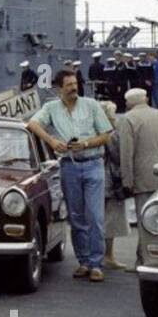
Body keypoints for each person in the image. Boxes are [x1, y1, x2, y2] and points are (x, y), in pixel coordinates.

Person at [27, 67, 113, 281]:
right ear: (60, 88)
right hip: (69, 166)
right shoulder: (51, 108)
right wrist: (52, 141)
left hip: (93, 164)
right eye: (69, 85)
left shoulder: (91, 105)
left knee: (95, 216)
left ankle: (96, 264)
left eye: (75, 83)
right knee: (76, 217)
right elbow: (33, 124)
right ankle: (84, 262)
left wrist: (85, 144)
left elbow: (106, 135)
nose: (74, 88)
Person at [101, 101, 132, 270]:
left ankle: (100, 255)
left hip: (99, 179)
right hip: (110, 181)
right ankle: (108, 255)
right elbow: (117, 155)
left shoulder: (94, 131)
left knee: (100, 219)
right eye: (112, 115)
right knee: (111, 220)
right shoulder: (111, 134)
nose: (115, 118)